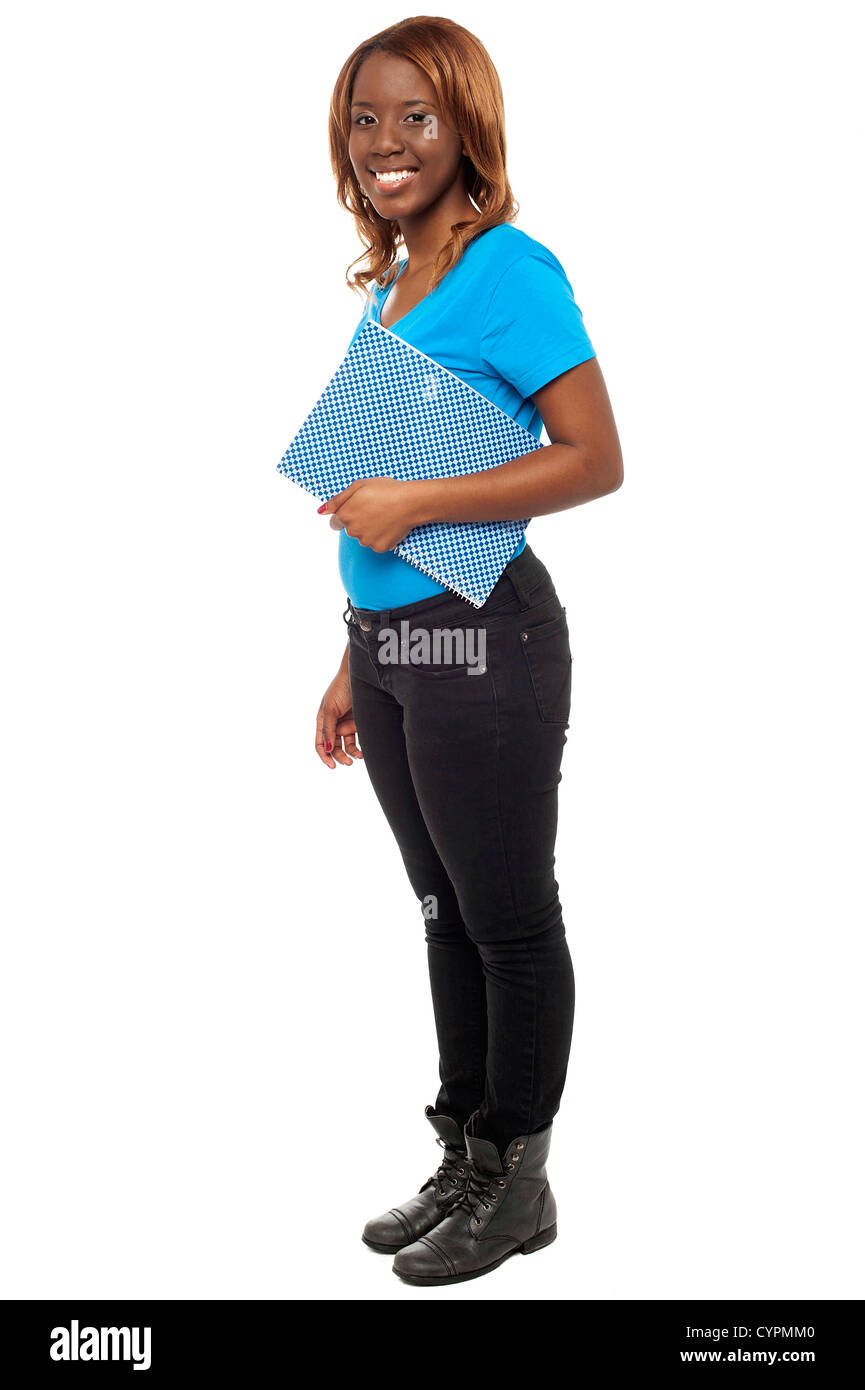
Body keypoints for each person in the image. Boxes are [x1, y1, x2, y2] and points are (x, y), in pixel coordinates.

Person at [314, 17, 623, 1287]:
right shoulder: (393, 278)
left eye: (416, 119)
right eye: (365, 120)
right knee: (443, 914)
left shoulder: (510, 270)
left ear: (467, 128)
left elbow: (596, 459)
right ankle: (468, 1156)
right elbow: (376, 490)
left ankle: (522, 1180)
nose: (387, 143)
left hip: (486, 641)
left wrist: (416, 508)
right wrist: (350, 655)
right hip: (393, 649)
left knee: (505, 920)